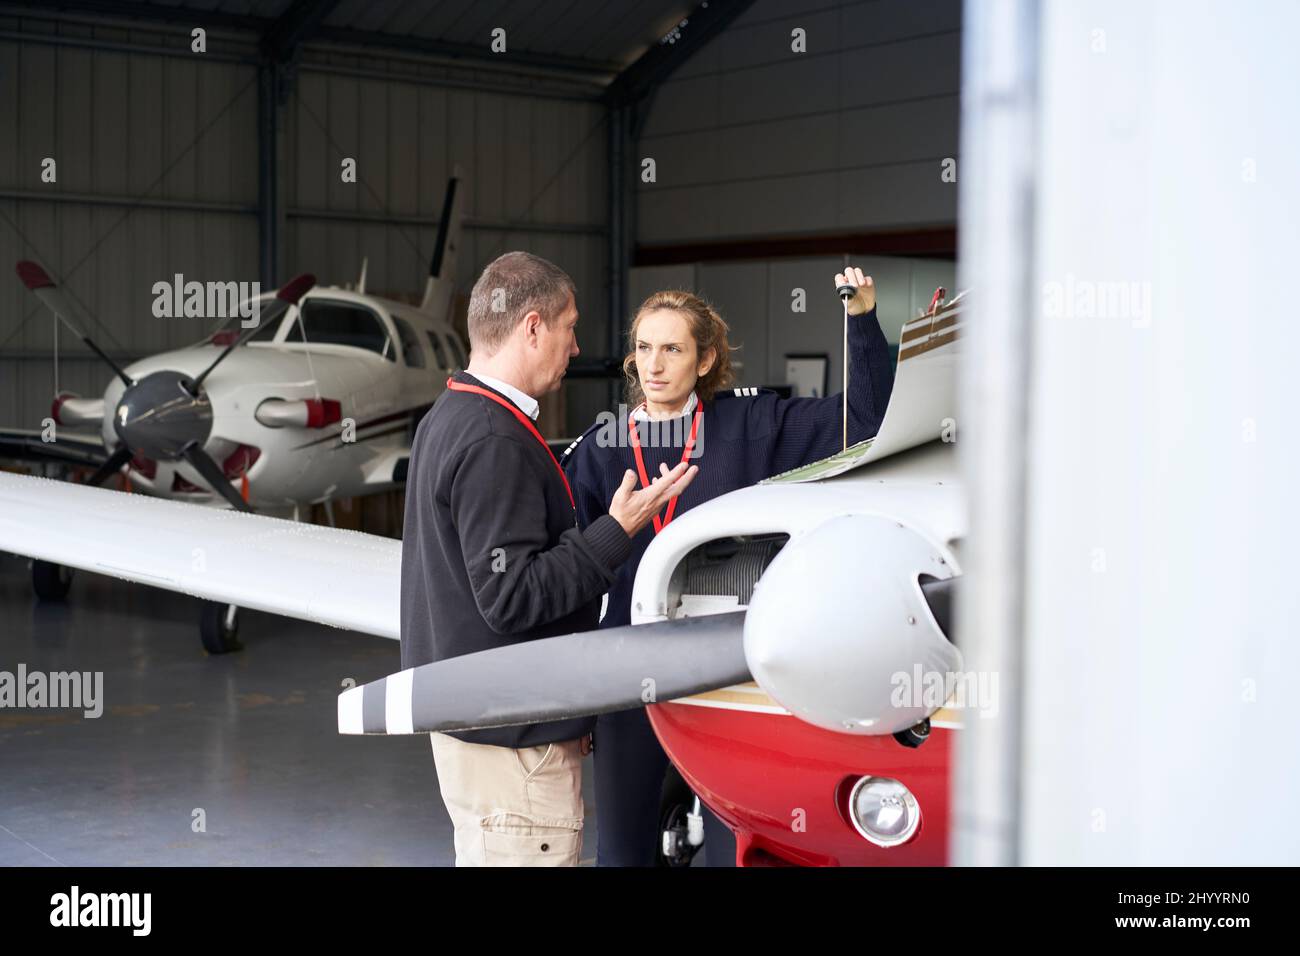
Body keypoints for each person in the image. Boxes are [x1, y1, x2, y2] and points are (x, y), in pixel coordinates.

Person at [562, 267, 896, 866]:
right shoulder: (598, 447)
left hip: (726, 675)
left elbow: (865, 423)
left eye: (672, 348)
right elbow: (575, 579)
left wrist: (862, 320)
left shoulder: (752, 425)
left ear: (706, 357)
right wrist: (581, 697)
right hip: (626, 672)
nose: (654, 364)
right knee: (620, 853)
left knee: (732, 850)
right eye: (643, 348)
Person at [400, 251, 697, 866]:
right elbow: (511, 596)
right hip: (515, 749)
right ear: (533, 327)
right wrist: (617, 531)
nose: (575, 344)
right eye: (569, 327)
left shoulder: (449, 414)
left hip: (474, 727)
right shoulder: (493, 440)